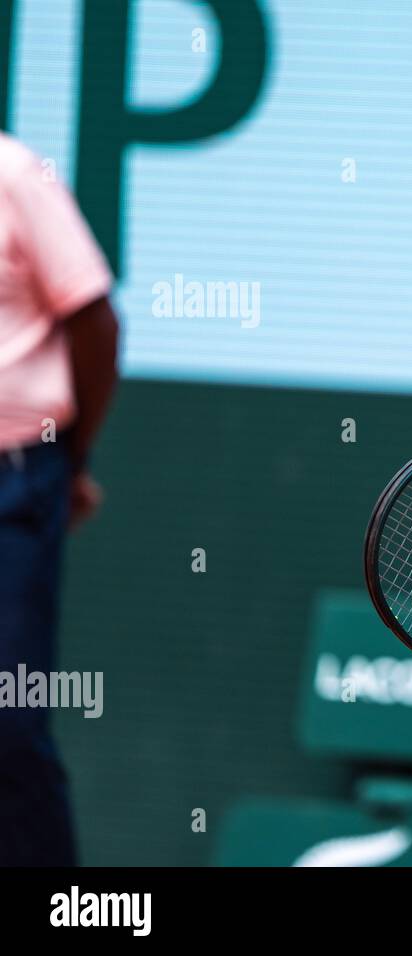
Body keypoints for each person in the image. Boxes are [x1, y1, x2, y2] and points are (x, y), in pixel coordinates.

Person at [0, 131, 119, 865]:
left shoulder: (15, 174)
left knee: (6, 724)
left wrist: (69, 459)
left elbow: (95, 322)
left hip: (15, 477)